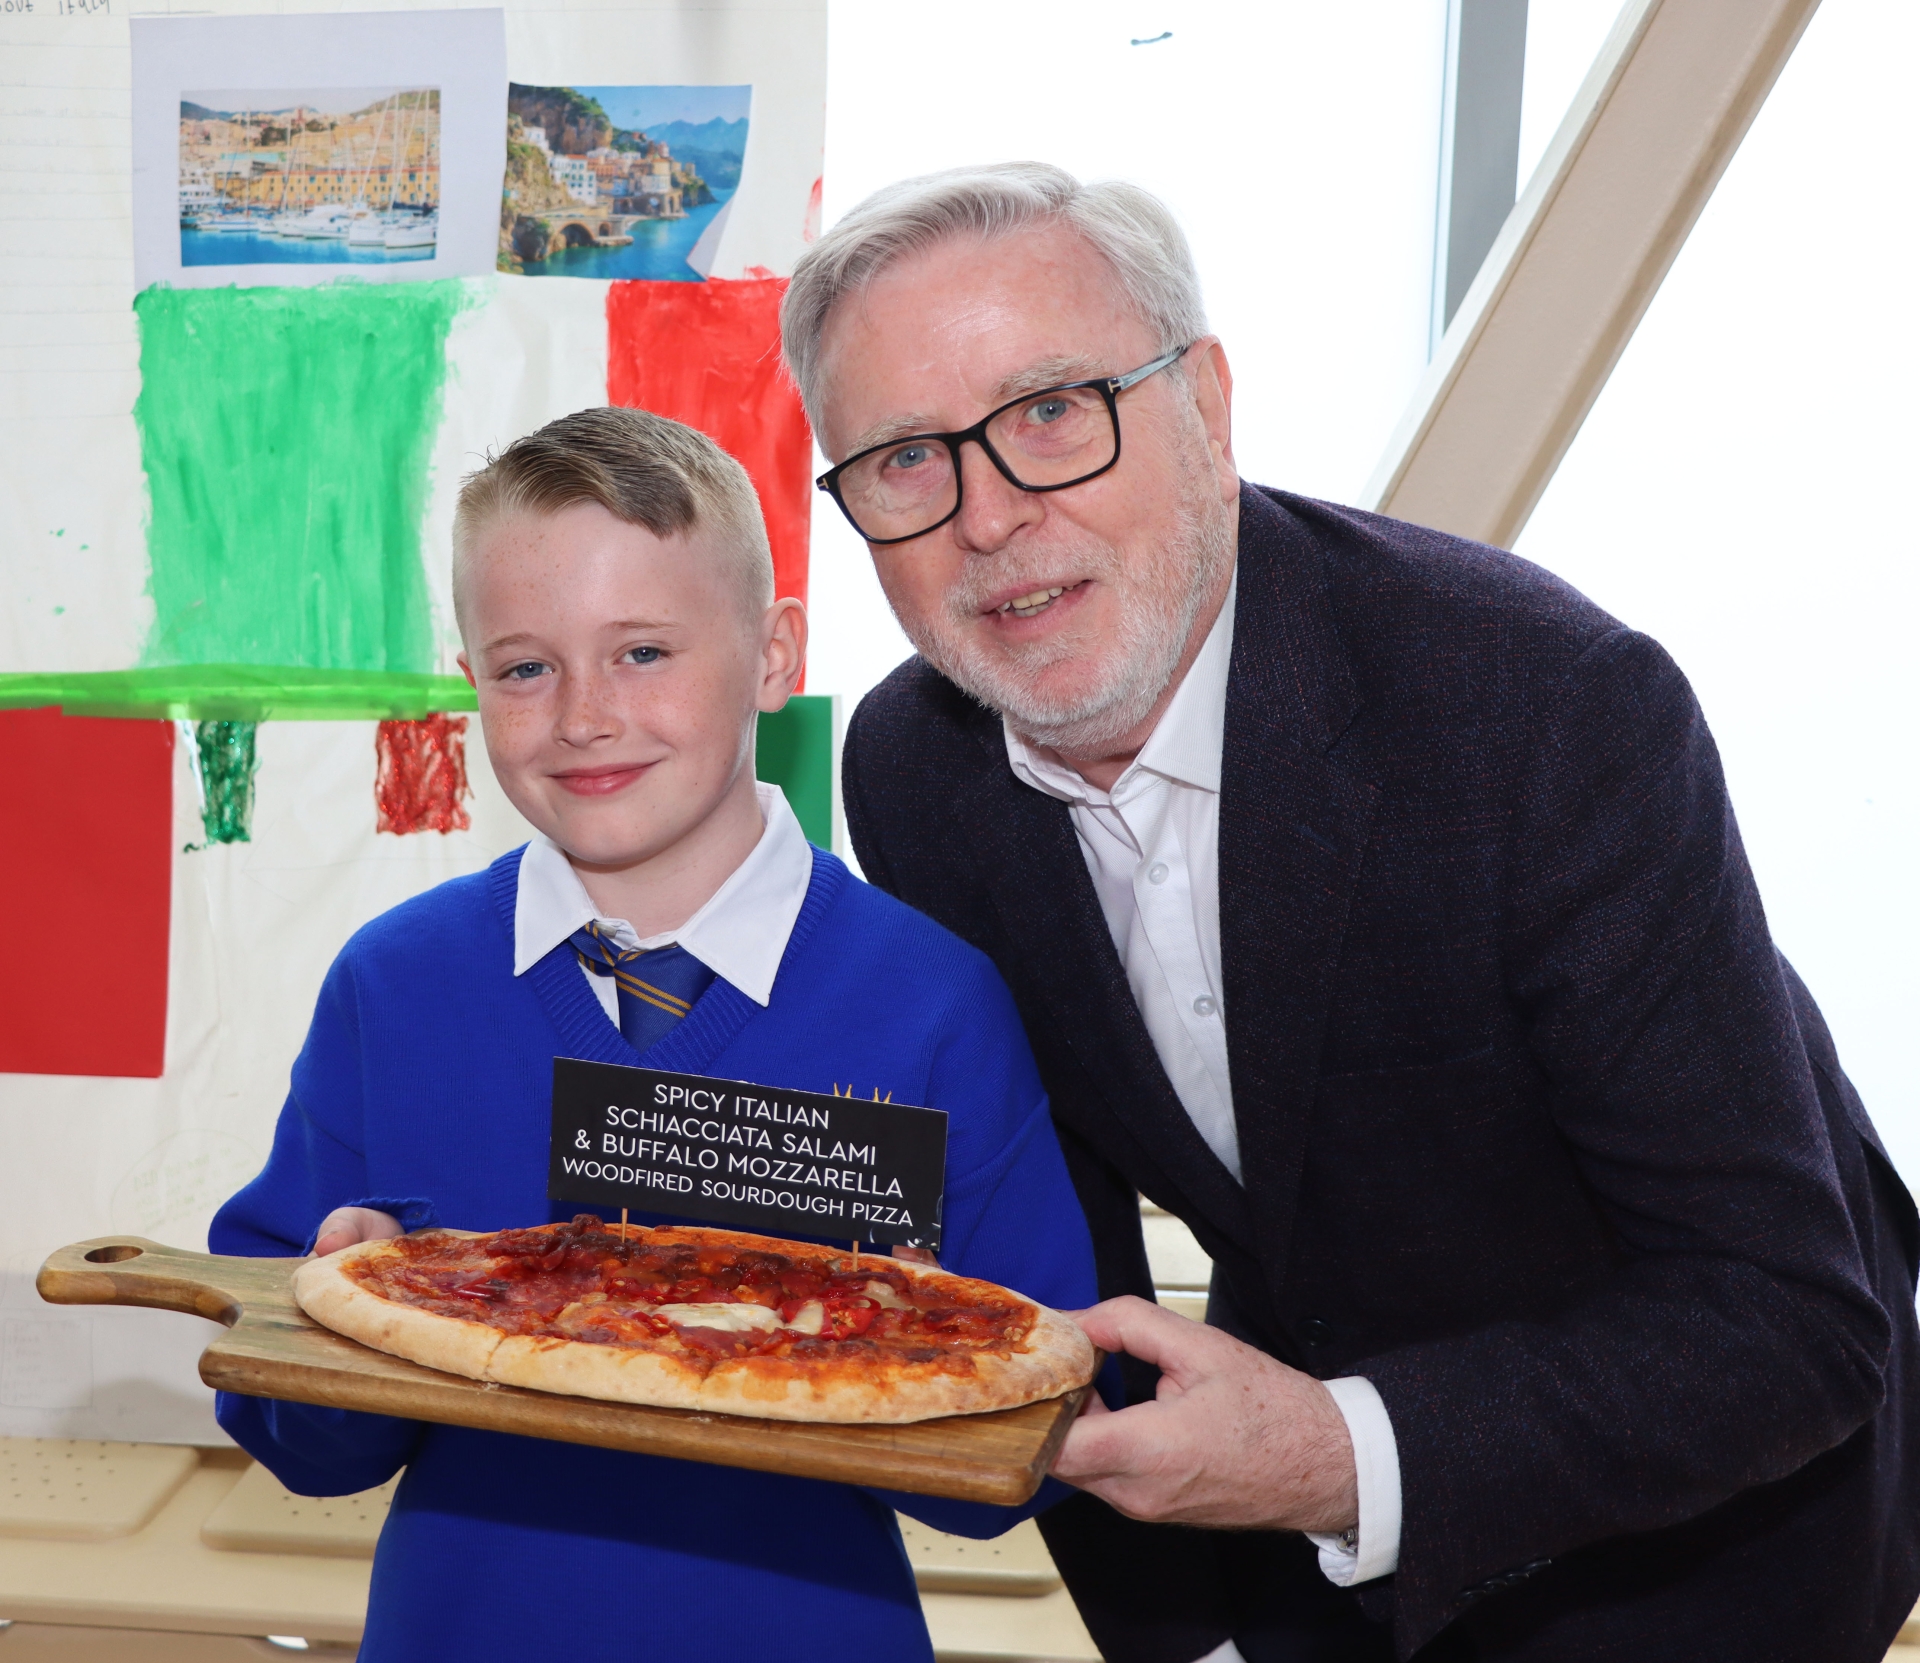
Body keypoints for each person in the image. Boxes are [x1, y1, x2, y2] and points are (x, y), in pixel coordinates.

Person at [788, 162, 1920, 1662]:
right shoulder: (917, 766)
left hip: (1707, 1525)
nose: (988, 515)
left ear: (1207, 401)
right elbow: (1062, 1268)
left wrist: (1334, 1452)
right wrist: (1181, 1633)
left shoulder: (1545, 708)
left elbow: (1785, 1322)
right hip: (1290, 1536)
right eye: (904, 458)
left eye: (1054, 409)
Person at [208, 407, 1098, 1663]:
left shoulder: (933, 1003)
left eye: (641, 651)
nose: (583, 714)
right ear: (472, 684)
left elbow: (1033, 1446)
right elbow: (304, 1446)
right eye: (525, 667)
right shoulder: (393, 988)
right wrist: (335, 1315)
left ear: (774, 652)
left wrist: (876, 1325)